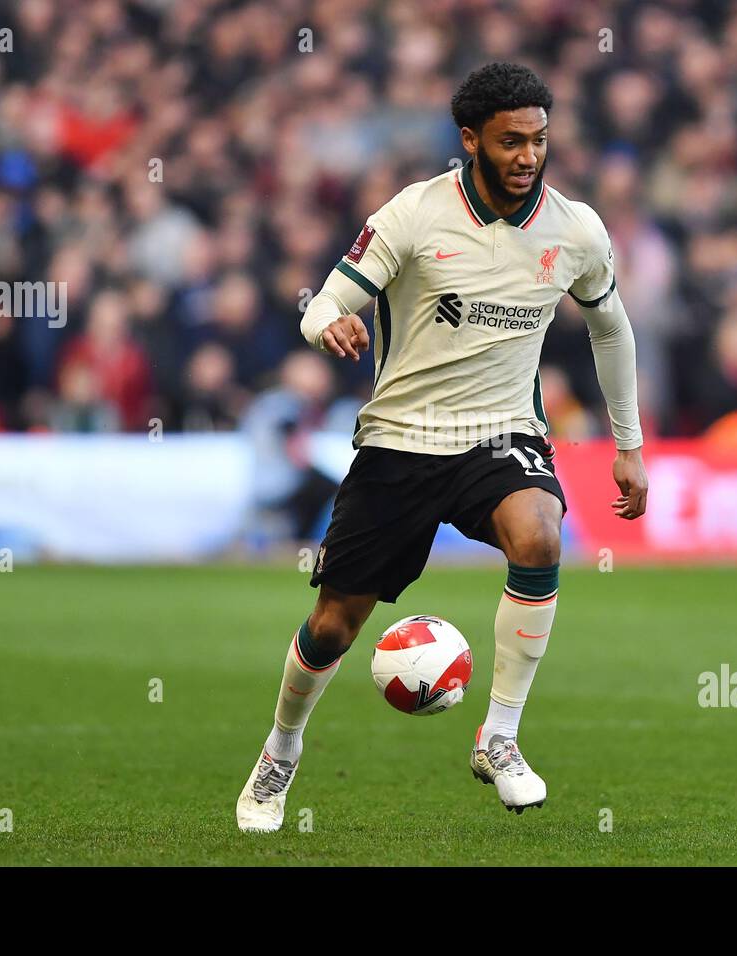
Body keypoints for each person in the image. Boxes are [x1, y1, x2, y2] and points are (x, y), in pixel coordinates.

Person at [236, 63, 648, 830]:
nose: (528, 155)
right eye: (511, 141)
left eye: (539, 139)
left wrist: (629, 442)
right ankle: (281, 752)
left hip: (502, 436)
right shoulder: (415, 215)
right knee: (333, 625)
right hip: (401, 442)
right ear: (471, 140)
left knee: (538, 533)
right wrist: (326, 323)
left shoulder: (577, 229)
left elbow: (611, 327)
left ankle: (500, 736)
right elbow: (327, 296)